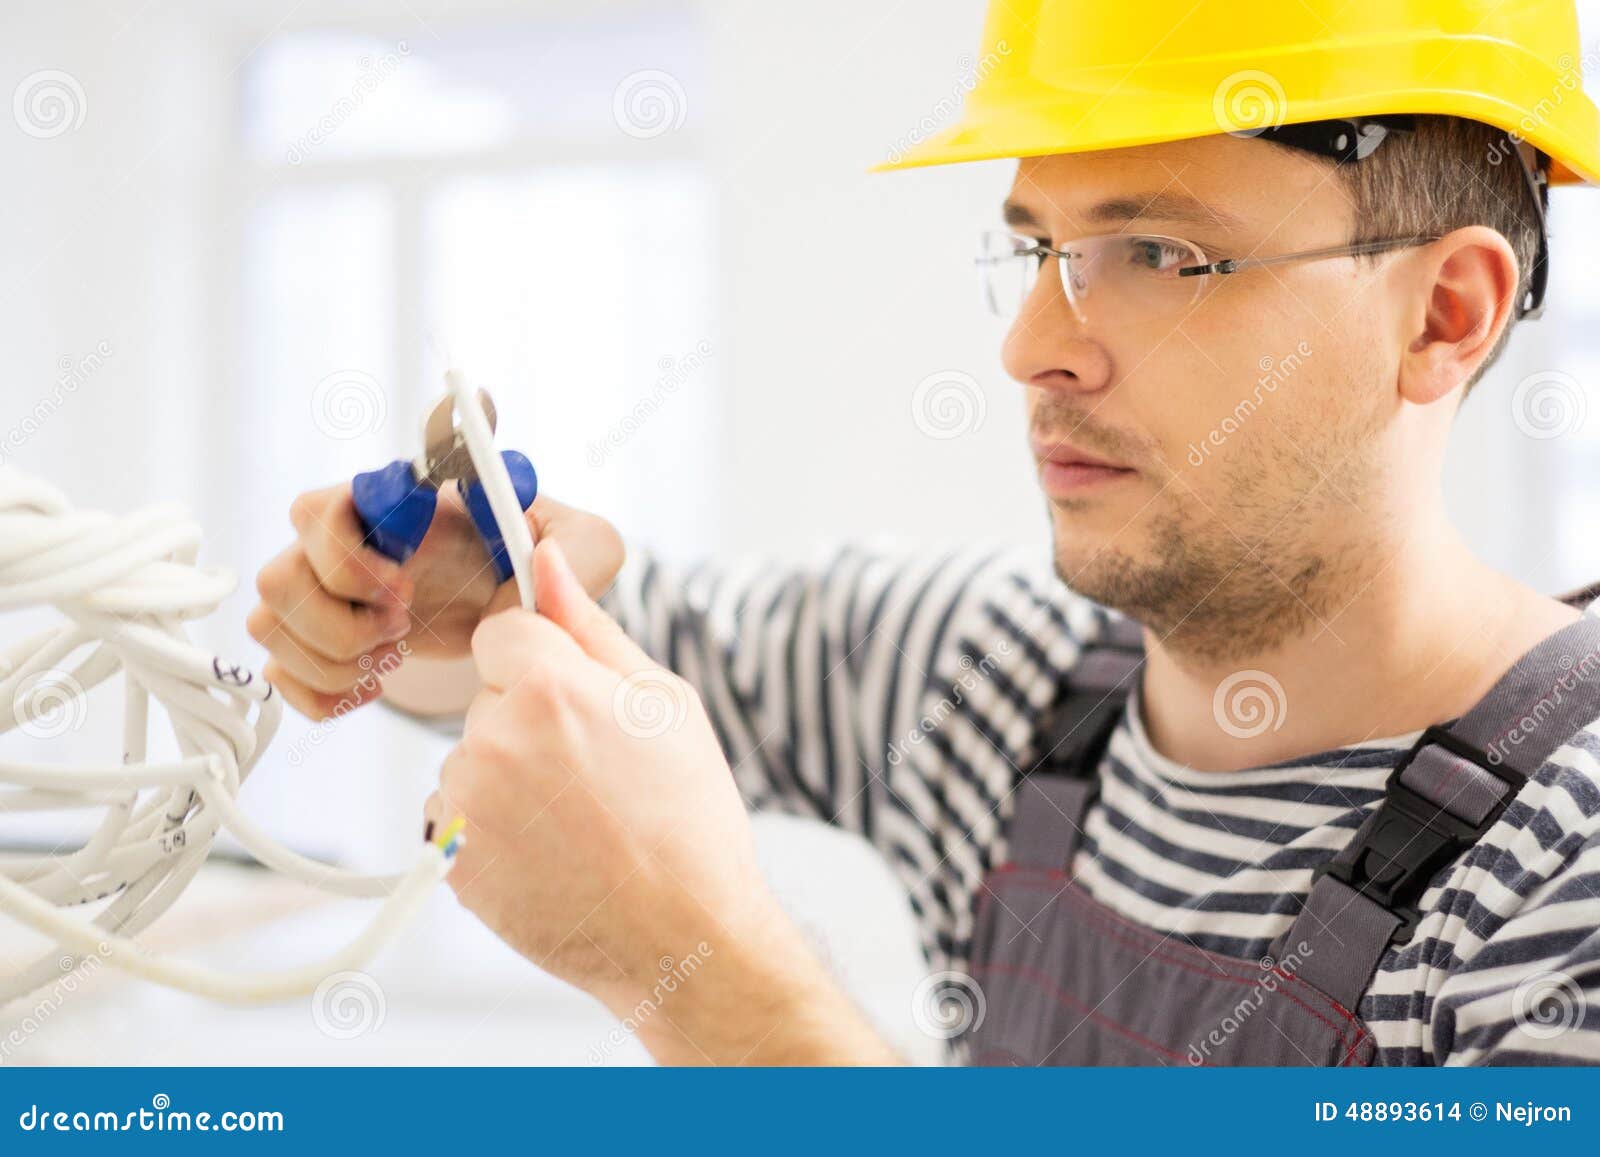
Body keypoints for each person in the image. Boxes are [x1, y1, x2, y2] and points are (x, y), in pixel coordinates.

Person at [250, 0, 1600, 1065]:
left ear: (1445, 315)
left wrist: (709, 984)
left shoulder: (1564, 886)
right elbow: (593, 666)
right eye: (1038, 251)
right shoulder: (980, 684)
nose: (1033, 348)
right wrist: (428, 621)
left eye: (1155, 255)